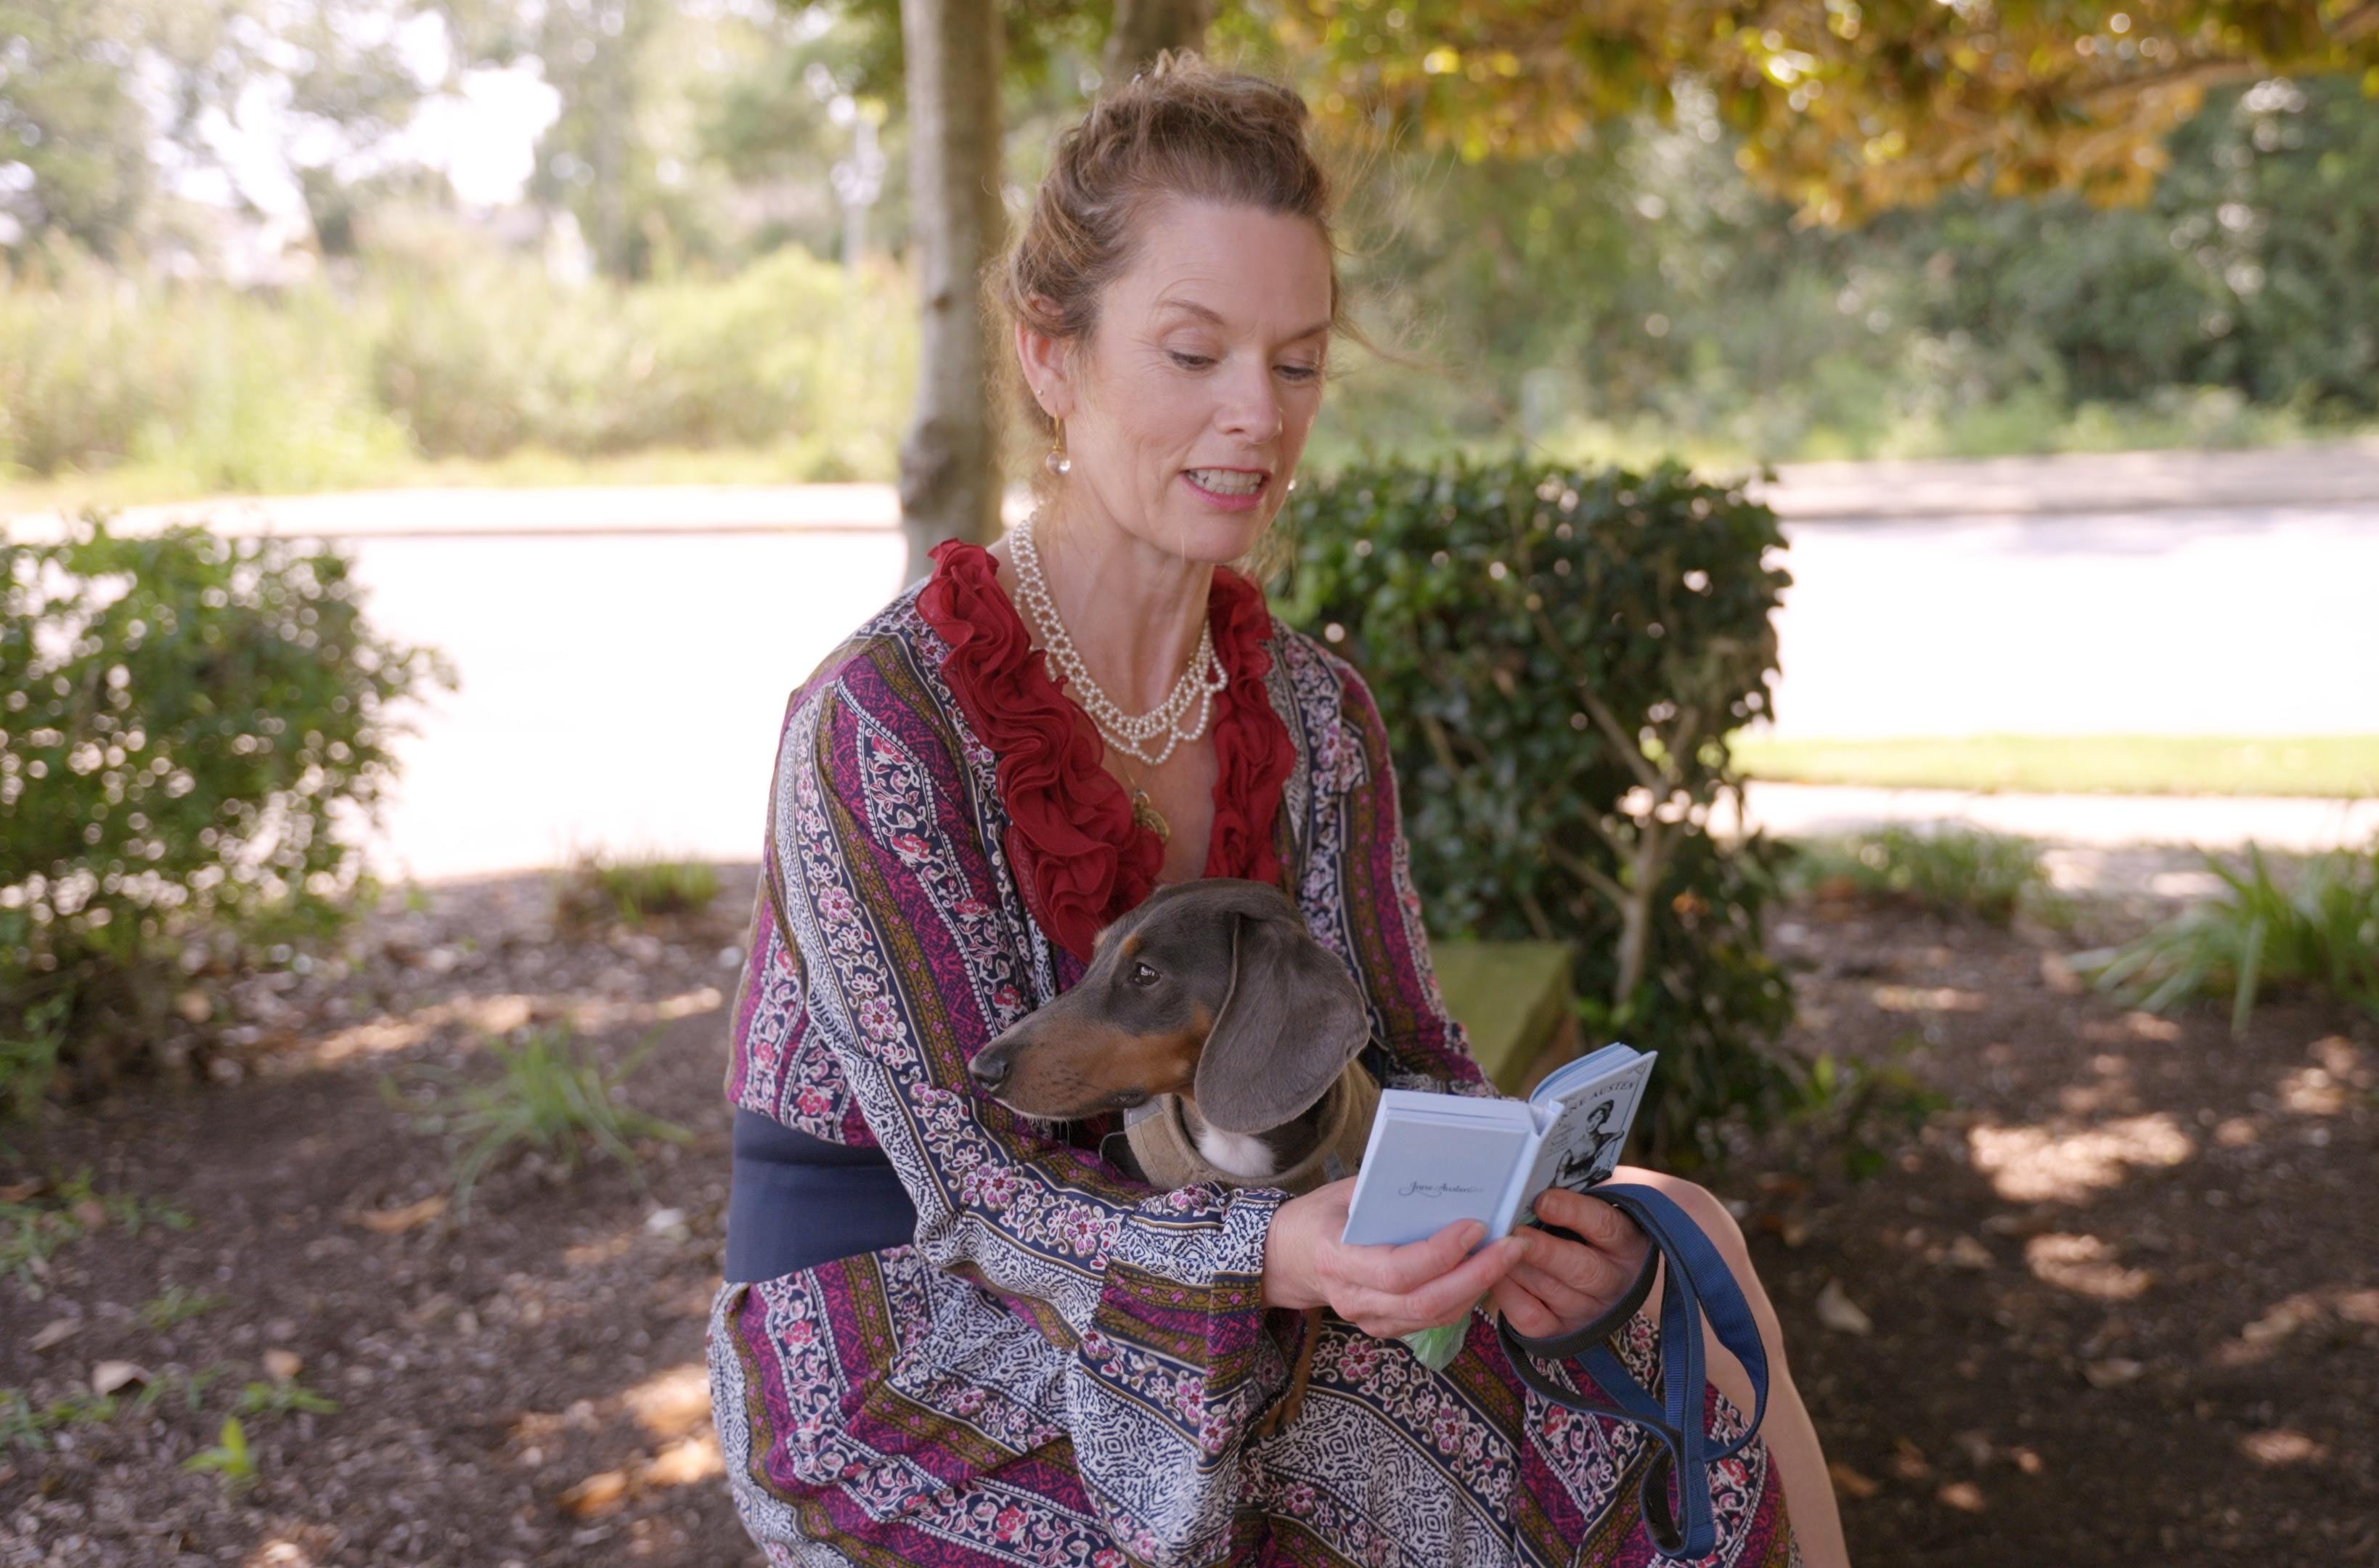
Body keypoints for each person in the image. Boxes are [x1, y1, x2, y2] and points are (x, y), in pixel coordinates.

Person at [706, 52, 1853, 1568]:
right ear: (1051, 355)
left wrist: (1535, 1229)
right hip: (917, 1322)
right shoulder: (882, 723)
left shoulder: (1315, 714)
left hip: (1241, 1276)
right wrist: (1272, 1255)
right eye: (1194, 354)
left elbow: (1413, 1060)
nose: (1258, 414)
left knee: (1664, 1328)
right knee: (1384, 1503)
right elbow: (978, 1188)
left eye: (1297, 362)